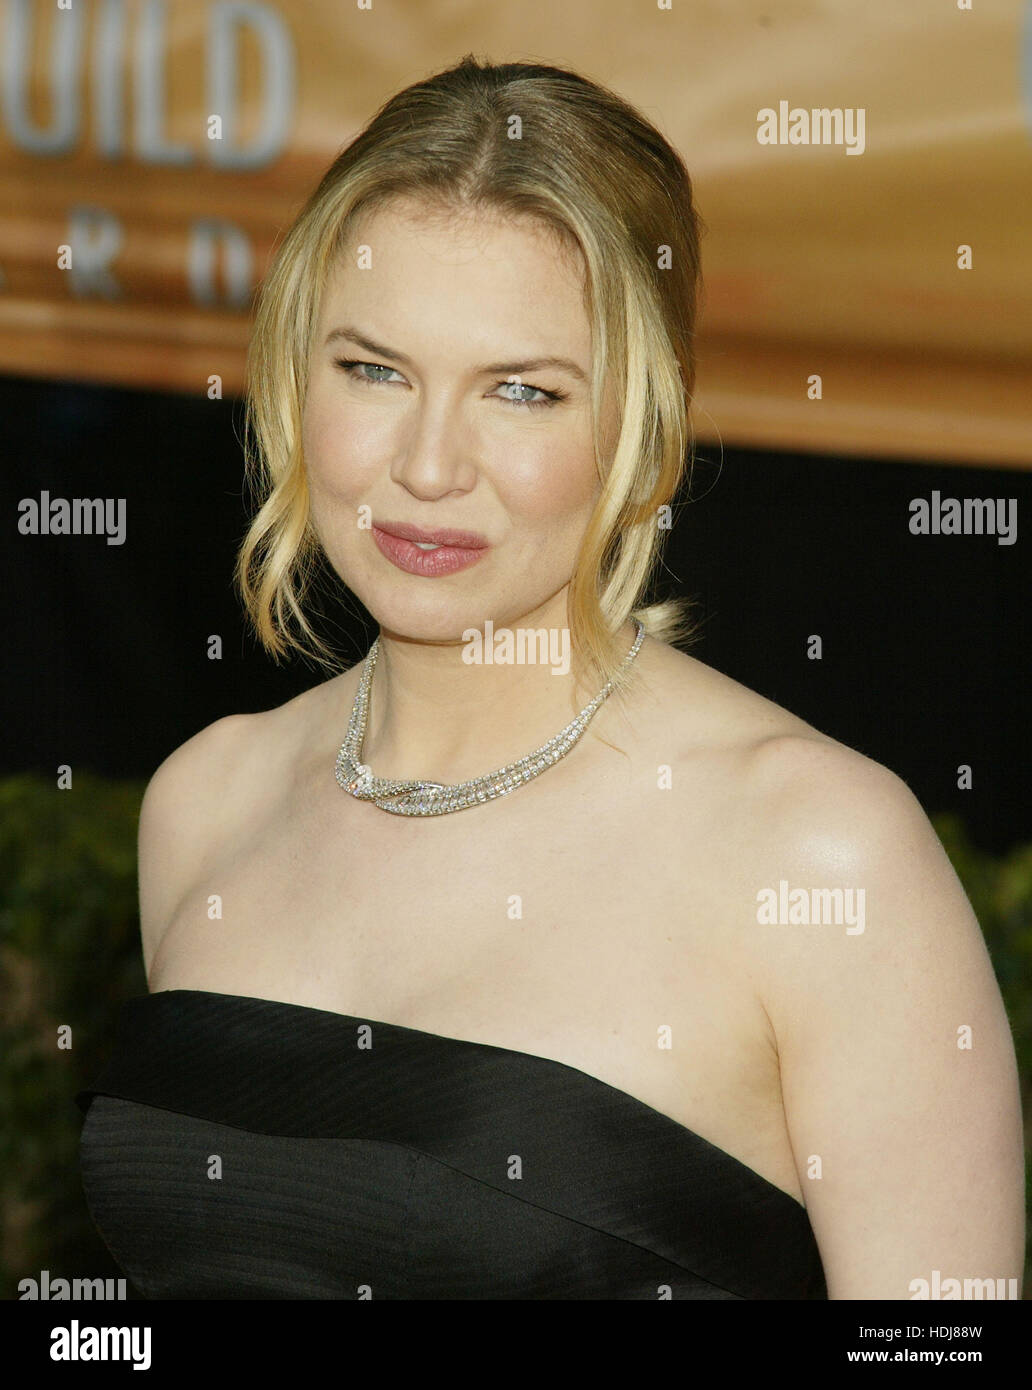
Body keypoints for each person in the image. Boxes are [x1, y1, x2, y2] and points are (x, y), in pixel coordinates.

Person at [77, 55, 1024, 1301]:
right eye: (374, 369)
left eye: (521, 391)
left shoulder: (816, 850)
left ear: (644, 423)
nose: (426, 464)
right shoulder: (207, 800)